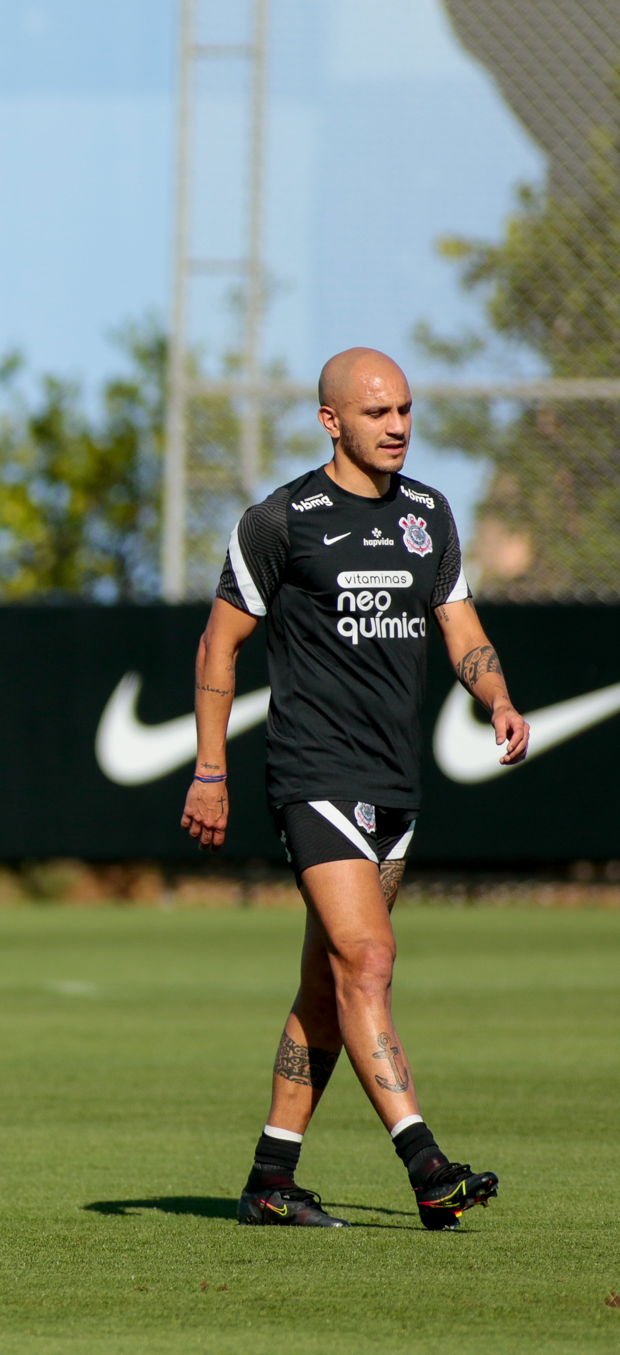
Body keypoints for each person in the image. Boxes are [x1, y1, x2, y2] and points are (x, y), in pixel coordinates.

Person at [182, 347, 526, 1230]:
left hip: (394, 784)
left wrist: (496, 697)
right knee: (368, 961)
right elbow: (219, 646)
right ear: (330, 421)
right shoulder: (279, 521)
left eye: (405, 409)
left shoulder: (428, 514)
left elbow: (461, 628)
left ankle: (271, 1180)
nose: (398, 426)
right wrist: (211, 770)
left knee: (328, 986)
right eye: (377, 413)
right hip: (315, 775)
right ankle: (427, 1165)